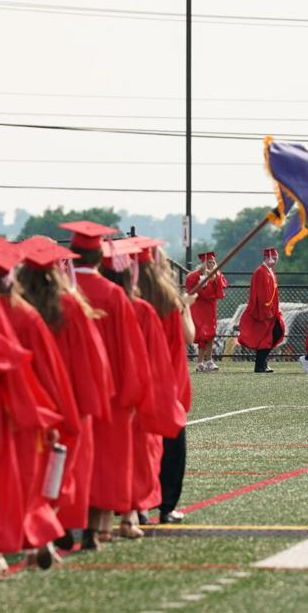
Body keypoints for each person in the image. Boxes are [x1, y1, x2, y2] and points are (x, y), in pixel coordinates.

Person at [0, 233, 71, 558]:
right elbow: (46, 369)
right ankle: (32, 540)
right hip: (21, 403)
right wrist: (54, 409)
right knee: (26, 473)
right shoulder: (25, 315)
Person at [15, 236, 114, 541]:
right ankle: (64, 524)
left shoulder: (16, 306)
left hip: (26, 397)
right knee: (69, 464)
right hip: (67, 395)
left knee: (29, 465)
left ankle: (31, 525)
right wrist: (94, 398)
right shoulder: (70, 304)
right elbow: (91, 358)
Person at [59, 220, 147, 547]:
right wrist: (132, 392)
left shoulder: (64, 295)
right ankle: (100, 528)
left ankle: (67, 526)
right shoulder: (113, 294)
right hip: (111, 392)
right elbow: (129, 350)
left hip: (70, 391)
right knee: (108, 461)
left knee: (76, 459)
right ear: (99, 257)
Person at [128, 238, 190, 526]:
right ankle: (166, 507)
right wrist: (186, 308)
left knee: (141, 449)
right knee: (172, 449)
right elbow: (188, 336)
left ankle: (138, 506)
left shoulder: (128, 298)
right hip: (168, 383)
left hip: (138, 382)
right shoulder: (169, 300)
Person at [237, 247, 285, 373]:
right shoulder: (261, 271)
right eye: (273, 258)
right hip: (263, 312)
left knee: (275, 333)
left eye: (276, 258)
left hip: (272, 311)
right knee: (267, 337)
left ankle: (262, 363)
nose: (275, 260)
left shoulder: (270, 271)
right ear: (266, 258)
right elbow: (261, 294)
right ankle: (260, 365)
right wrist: (267, 310)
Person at [184, 251, 226, 372]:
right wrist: (202, 282)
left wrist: (215, 278)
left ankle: (208, 361)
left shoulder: (216, 275)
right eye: (208, 262)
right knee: (203, 334)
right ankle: (201, 362)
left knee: (211, 334)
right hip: (198, 308)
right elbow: (192, 291)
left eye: (213, 262)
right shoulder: (193, 276)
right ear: (203, 263)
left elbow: (219, 293)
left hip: (210, 308)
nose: (211, 264)